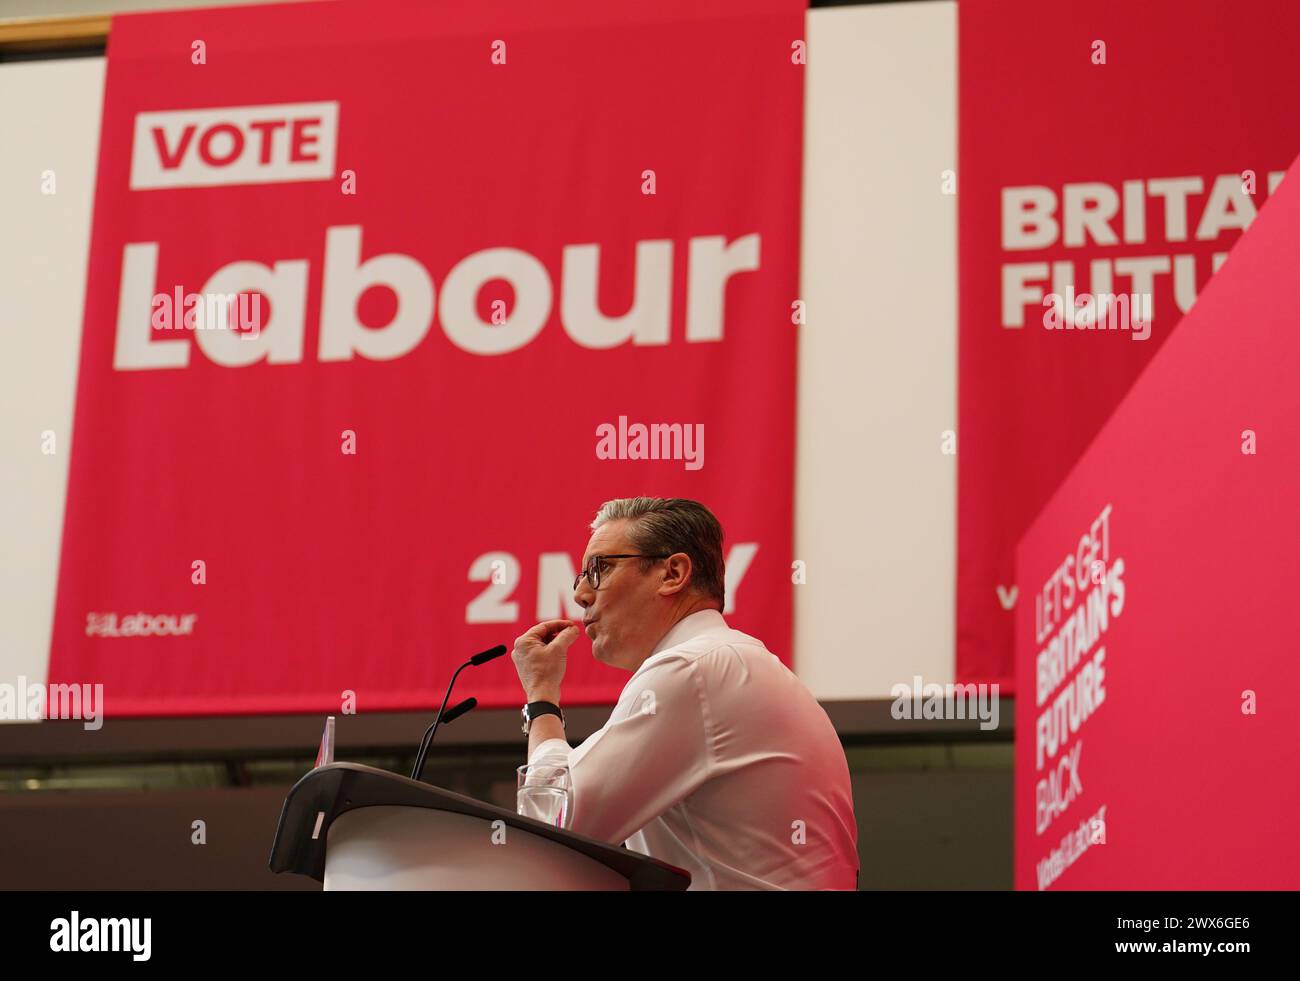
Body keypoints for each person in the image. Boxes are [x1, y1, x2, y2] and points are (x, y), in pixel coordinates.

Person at [512, 496, 860, 890]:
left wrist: (541, 697)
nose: (581, 595)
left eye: (601, 568)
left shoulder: (690, 668)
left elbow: (553, 827)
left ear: (673, 573)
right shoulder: (734, 662)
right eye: (581, 577)